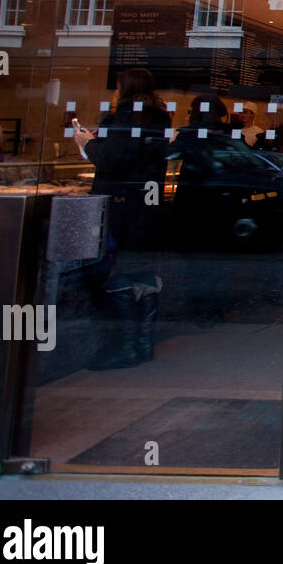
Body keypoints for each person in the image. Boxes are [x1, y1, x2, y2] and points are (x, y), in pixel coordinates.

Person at [72, 68, 171, 369]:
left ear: (123, 88)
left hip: (120, 204)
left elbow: (112, 160)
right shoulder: (160, 118)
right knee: (141, 270)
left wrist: (86, 142)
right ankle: (142, 344)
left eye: (116, 87)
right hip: (147, 203)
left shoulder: (124, 117)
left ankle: (127, 347)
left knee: (117, 272)